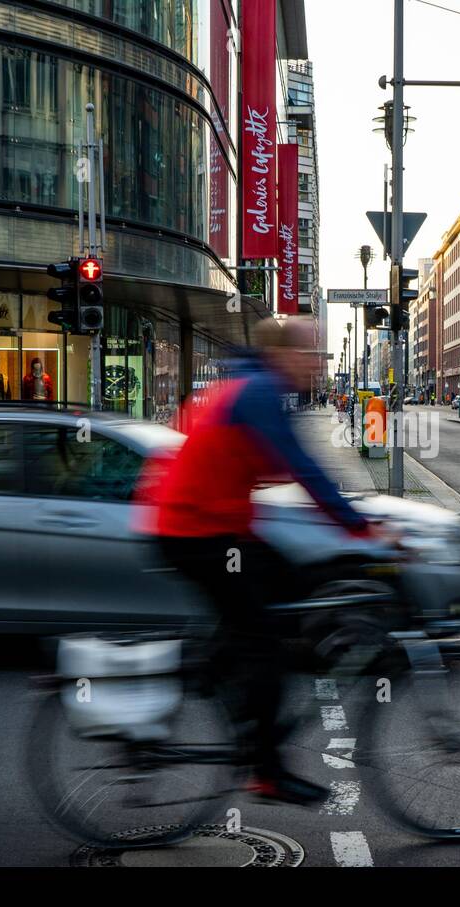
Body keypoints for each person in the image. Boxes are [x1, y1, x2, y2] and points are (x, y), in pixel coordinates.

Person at [133, 317, 378, 806]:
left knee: (292, 584)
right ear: (284, 354)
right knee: (264, 639)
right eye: (310, 352)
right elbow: (303, 468)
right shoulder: (260, 391)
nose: (316, 362)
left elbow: (279, 467)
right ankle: (266, 771)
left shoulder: (255, 388)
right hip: (195, 533)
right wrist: (361, 528)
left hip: (214, 527)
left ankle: (220, 667)